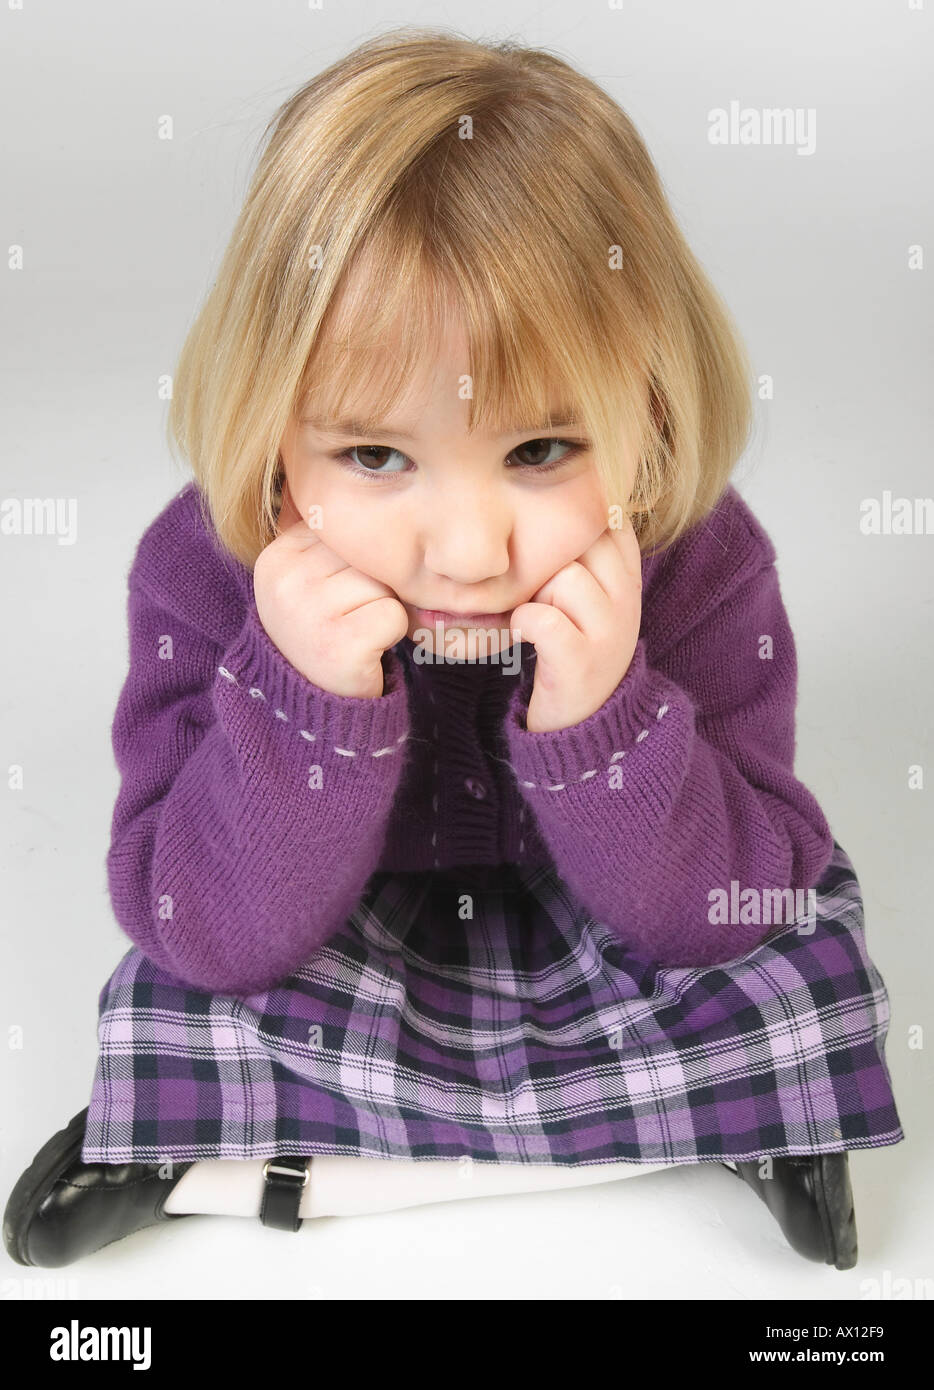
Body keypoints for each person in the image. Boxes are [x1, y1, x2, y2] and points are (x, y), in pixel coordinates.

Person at [3, 28, 903, 1273]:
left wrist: (607, 723)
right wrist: (301, 703)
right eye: (376, 457)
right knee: (175, 989)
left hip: (613, 911)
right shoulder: (207, 569)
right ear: (274, 437)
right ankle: (166, 1142)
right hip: (317, 915)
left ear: (646, 413)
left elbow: (720, 902)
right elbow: (192, 911)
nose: (470, 548)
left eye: (541, 451)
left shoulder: (695, 558)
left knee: (795, 949)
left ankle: (771, 1127)